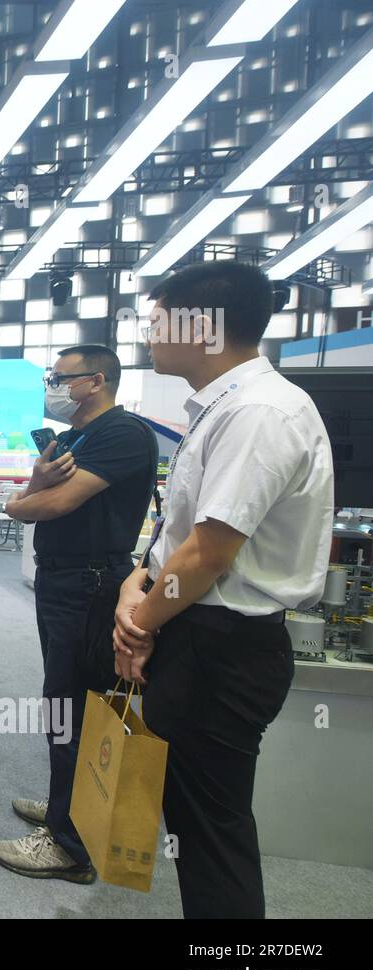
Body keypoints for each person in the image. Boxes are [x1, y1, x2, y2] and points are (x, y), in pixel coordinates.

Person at [112, 261, 333, 919]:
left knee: (211, 836)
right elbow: (183, 533)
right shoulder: (225, 407)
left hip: (222, 648)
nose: (149, 334)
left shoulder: (260, 412)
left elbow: (210, 553)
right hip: (197, 635)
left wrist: (140, 621)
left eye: (158, 320)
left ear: (200, 325)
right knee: (196, 821)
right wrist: (138, 583)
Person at [0, 345, 158, 885]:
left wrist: (16, 505)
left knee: (73, 706)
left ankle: (69, 843)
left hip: (89, 584)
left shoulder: (122, 433)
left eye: (60, 378)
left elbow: (57, 504)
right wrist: (34, 486)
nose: (53, 387)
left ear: (96, 381)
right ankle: (69, 808)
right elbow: (45, 489)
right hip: (63, 580)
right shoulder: (78, 438)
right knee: (66, 701)